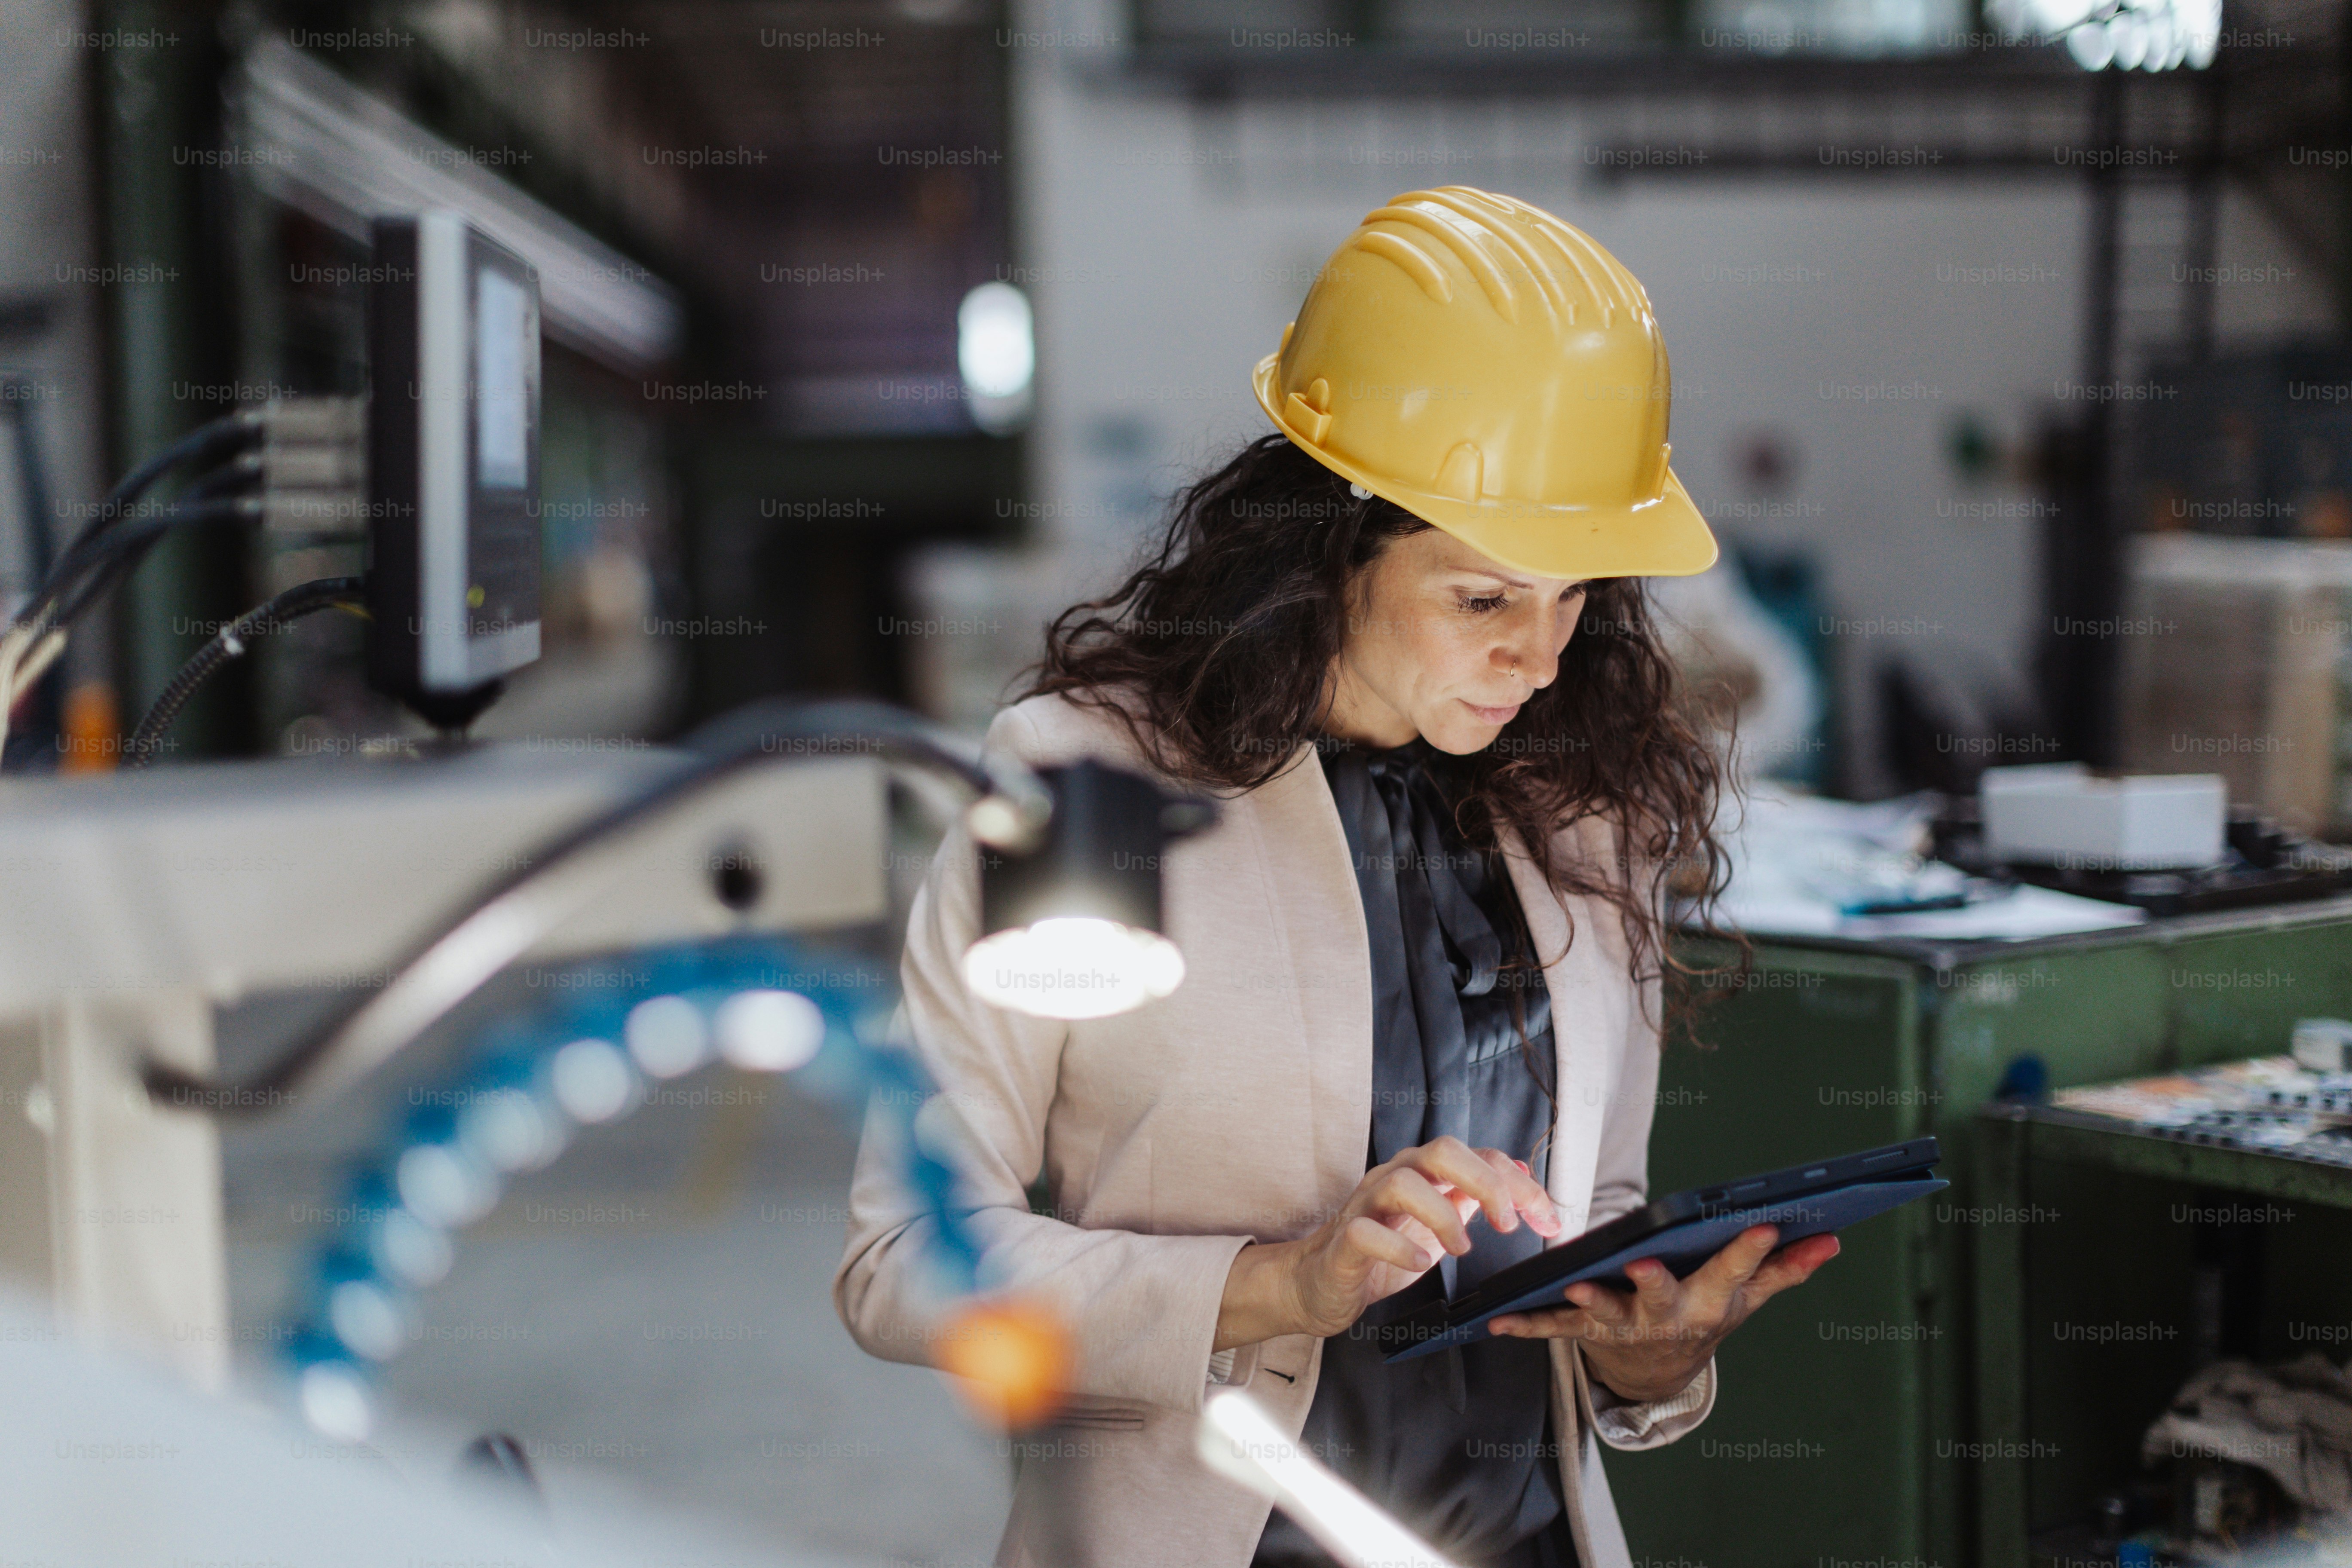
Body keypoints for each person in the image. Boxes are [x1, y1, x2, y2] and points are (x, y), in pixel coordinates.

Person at [835, 186, 1840, 1568]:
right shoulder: (1094, 799)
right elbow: (909, 1266)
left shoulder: (1580, 807)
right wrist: (1277, 1286)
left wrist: (1650, 1364)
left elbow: (1595, 1211)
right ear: (1321, 555)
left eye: (1577, 596)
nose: (1541, 659)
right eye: (1482, 598)